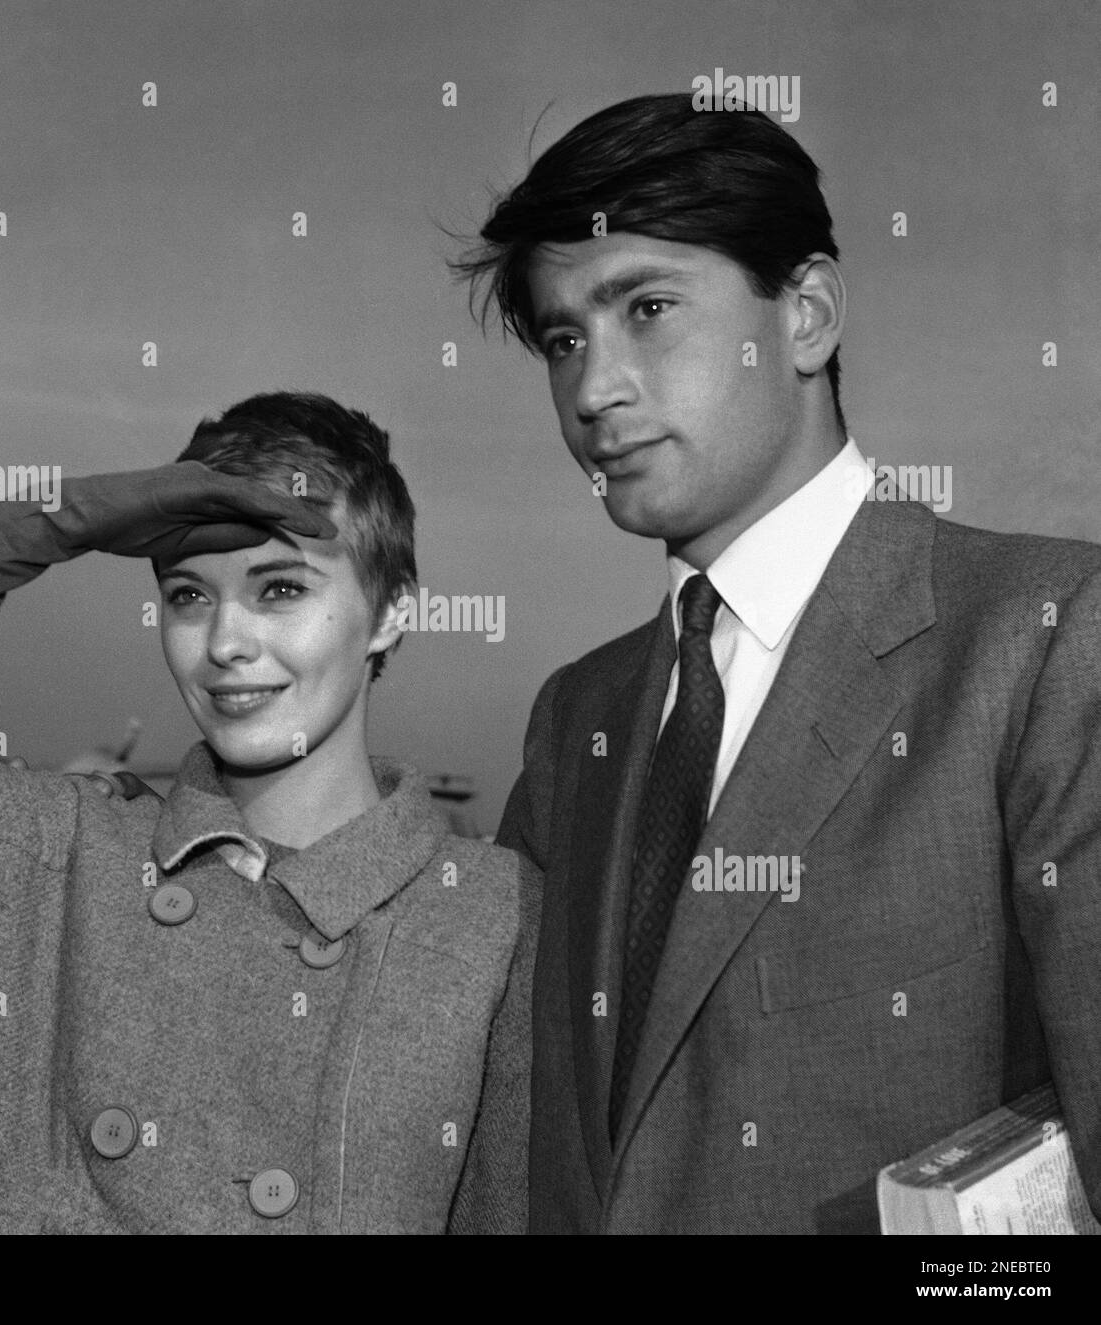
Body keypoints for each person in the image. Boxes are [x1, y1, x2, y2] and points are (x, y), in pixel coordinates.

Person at [447, 94, 1101, 1234]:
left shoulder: (1046, 632)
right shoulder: (576, 717)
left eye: (646, 308)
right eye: (562, 339)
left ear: (804, 315)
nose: (594, 389)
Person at [0, 390, 532, 1234]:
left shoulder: (495, 920)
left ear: (393, 611)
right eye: (188, 596)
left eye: (281, 588)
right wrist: (43, 524)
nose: (224, 642)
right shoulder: (34, 859)